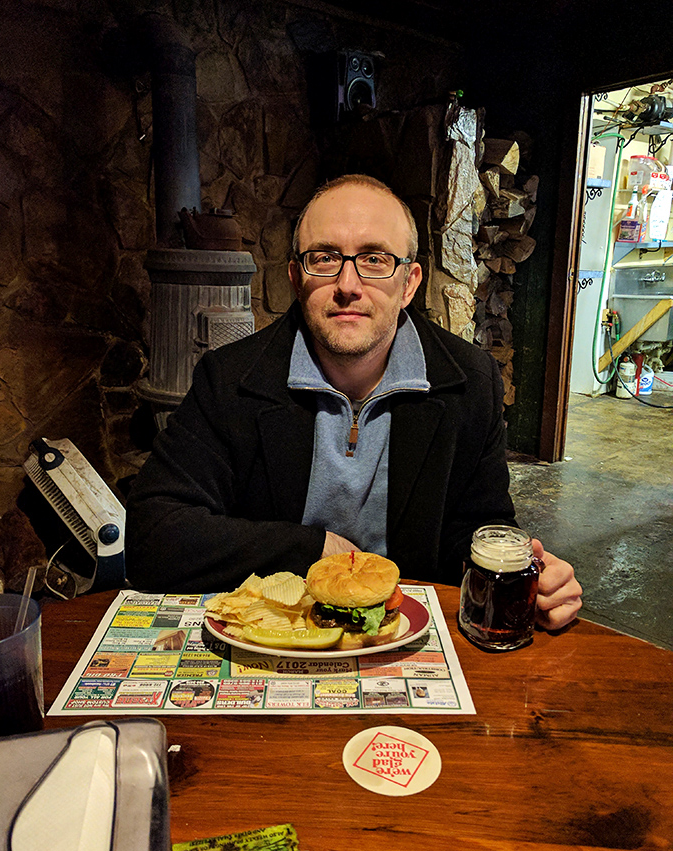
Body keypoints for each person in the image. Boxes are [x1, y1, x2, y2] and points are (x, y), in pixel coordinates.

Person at [125, 174, 582, 630]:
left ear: (409, 283)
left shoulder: (470, 382)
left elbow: (476, 528)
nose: (348, 284)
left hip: (405, 636)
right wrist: (312, 550)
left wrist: (528, 577)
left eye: (375, 259)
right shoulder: (229, 379)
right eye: (324, 258)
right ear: (295, 278)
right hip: (279, 632)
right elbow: (153, 535)